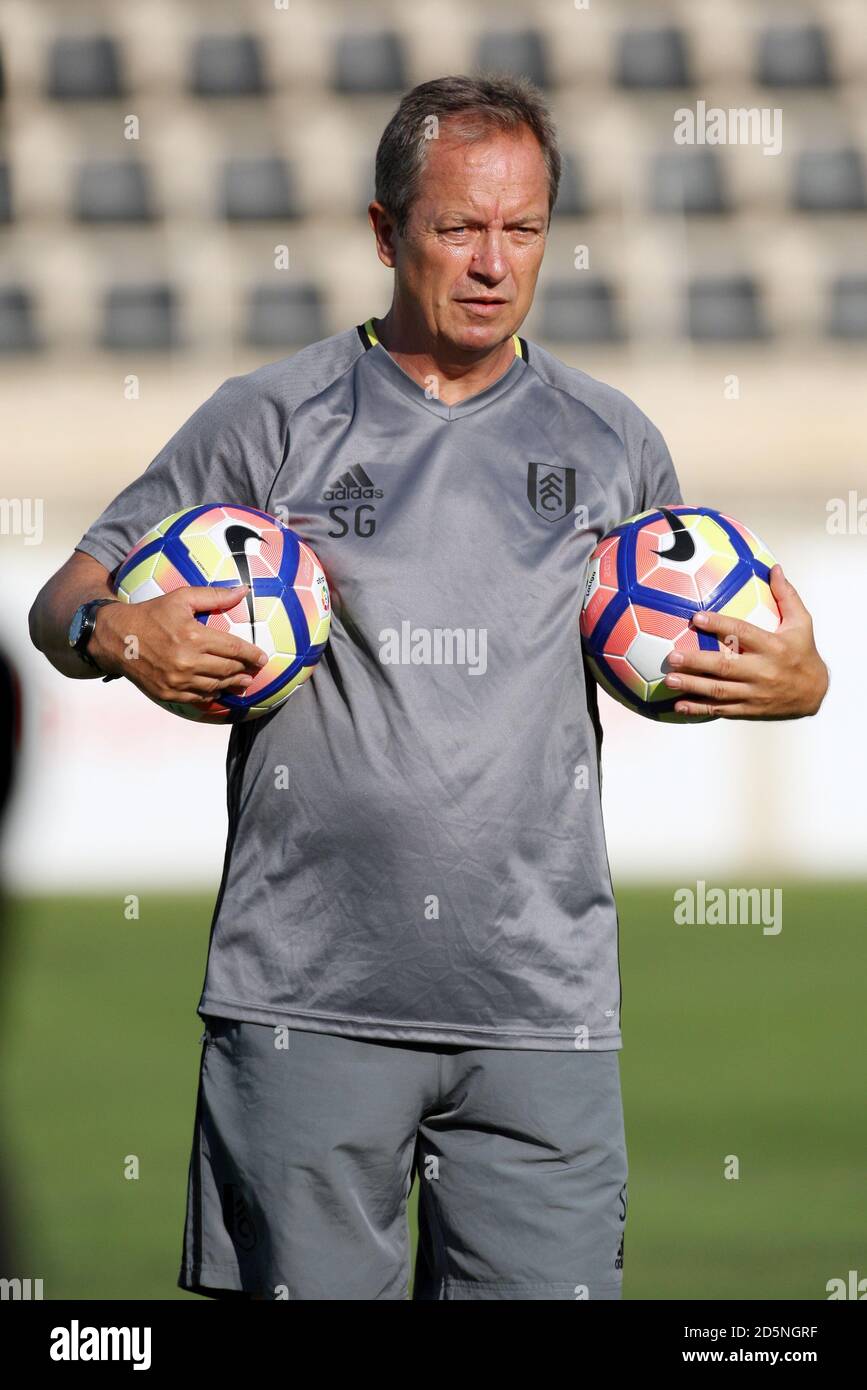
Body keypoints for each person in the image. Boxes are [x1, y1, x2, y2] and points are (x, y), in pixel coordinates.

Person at [28, 75, 828, 1301]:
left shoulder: (610, 439)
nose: (495, 263)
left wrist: (801, 676)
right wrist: (117, 628)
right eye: (459, 227)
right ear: (384, 230)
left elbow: (725, 628)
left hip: (542, 1015)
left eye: (524, 230)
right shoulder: (270, 419)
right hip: (304, 1004)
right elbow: (59, 606)